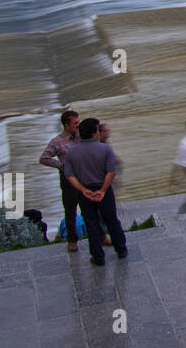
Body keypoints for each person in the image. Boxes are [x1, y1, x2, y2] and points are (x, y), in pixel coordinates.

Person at [62, 118, 127, 266]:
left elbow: (69, 175)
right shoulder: (105, 149)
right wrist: (103, 190)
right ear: (94, 133)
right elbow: (111, 172)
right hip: (103, 189)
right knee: (111, 220)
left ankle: (98, 257)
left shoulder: (72, 151)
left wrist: (83, 190)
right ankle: (121, 249)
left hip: (85, 192)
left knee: (91, 223)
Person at [39, 110, 82, 252]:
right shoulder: (57, 142)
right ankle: (72, 240)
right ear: (66, 125)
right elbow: (44, 158)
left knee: (91, 207)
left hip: (85, 176)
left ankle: (100, 235)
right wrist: (61, 166)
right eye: (75, 123)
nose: (78, 124)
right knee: (70, 210)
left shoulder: (82, 136)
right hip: (68, 179)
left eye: (78, 121)